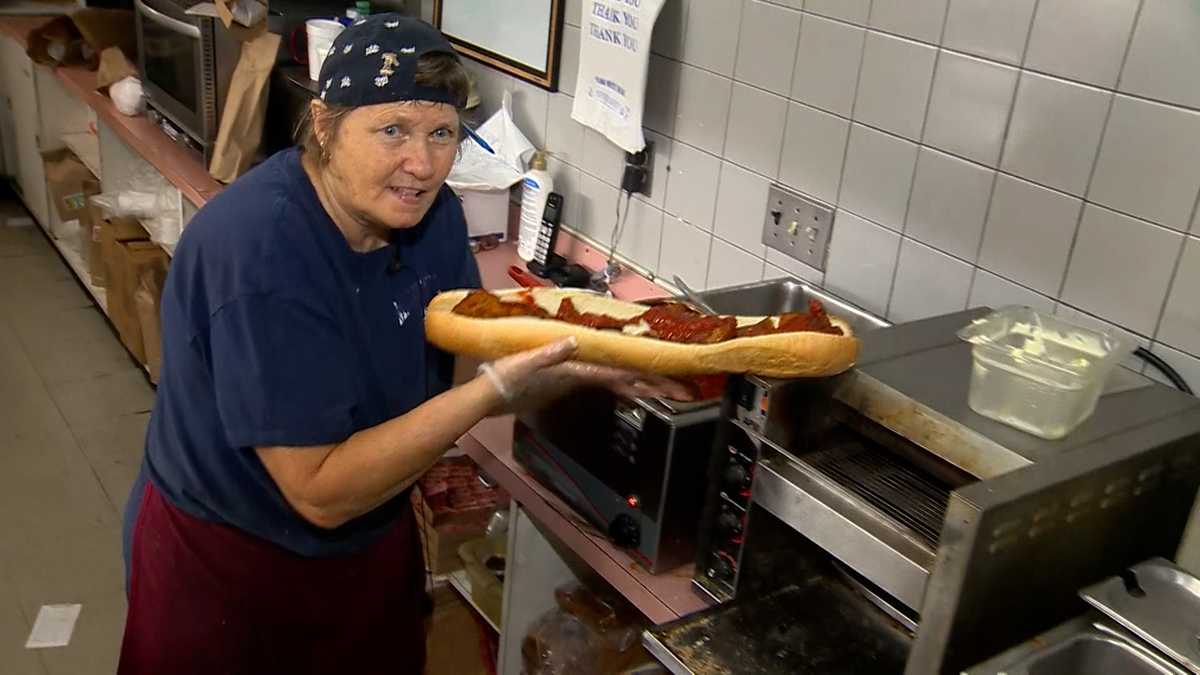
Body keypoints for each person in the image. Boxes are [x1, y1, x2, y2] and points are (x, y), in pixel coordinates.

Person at [116, 15, 688, 674]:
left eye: (442, 133)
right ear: (325, 125)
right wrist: (493, 390)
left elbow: (465, 373)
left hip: (365, 535)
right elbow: (320, 489)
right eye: (392, 130)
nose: (421, 164)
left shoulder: (430, 216)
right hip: (230, 561)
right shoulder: (260, 254)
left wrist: (585, 366)